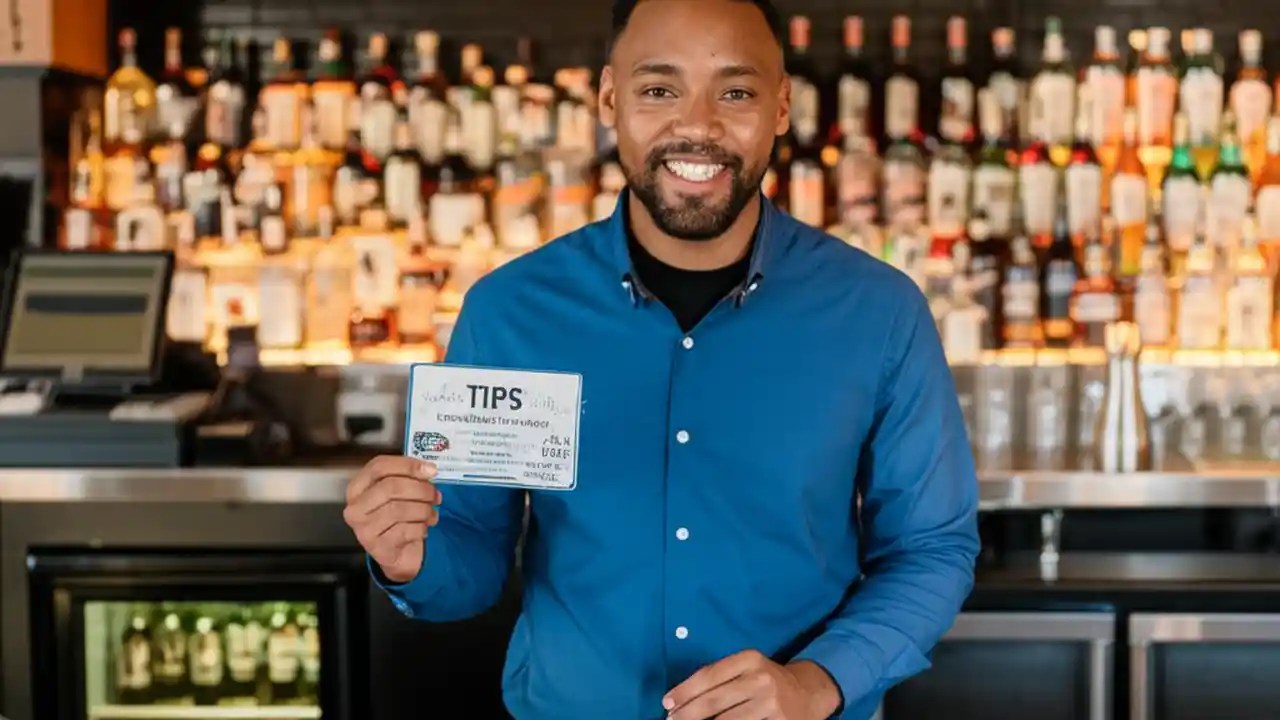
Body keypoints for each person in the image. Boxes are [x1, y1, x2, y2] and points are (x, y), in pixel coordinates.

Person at [343, 0, 981, 717]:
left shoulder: (880, 311)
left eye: (735, 92)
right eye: (659, 90)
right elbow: (471, 557)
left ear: (781, 107)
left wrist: (816, 683)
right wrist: (411, 556)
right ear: (610, 99)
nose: (699, 125)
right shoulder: (510, 312)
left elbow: (931, 549)